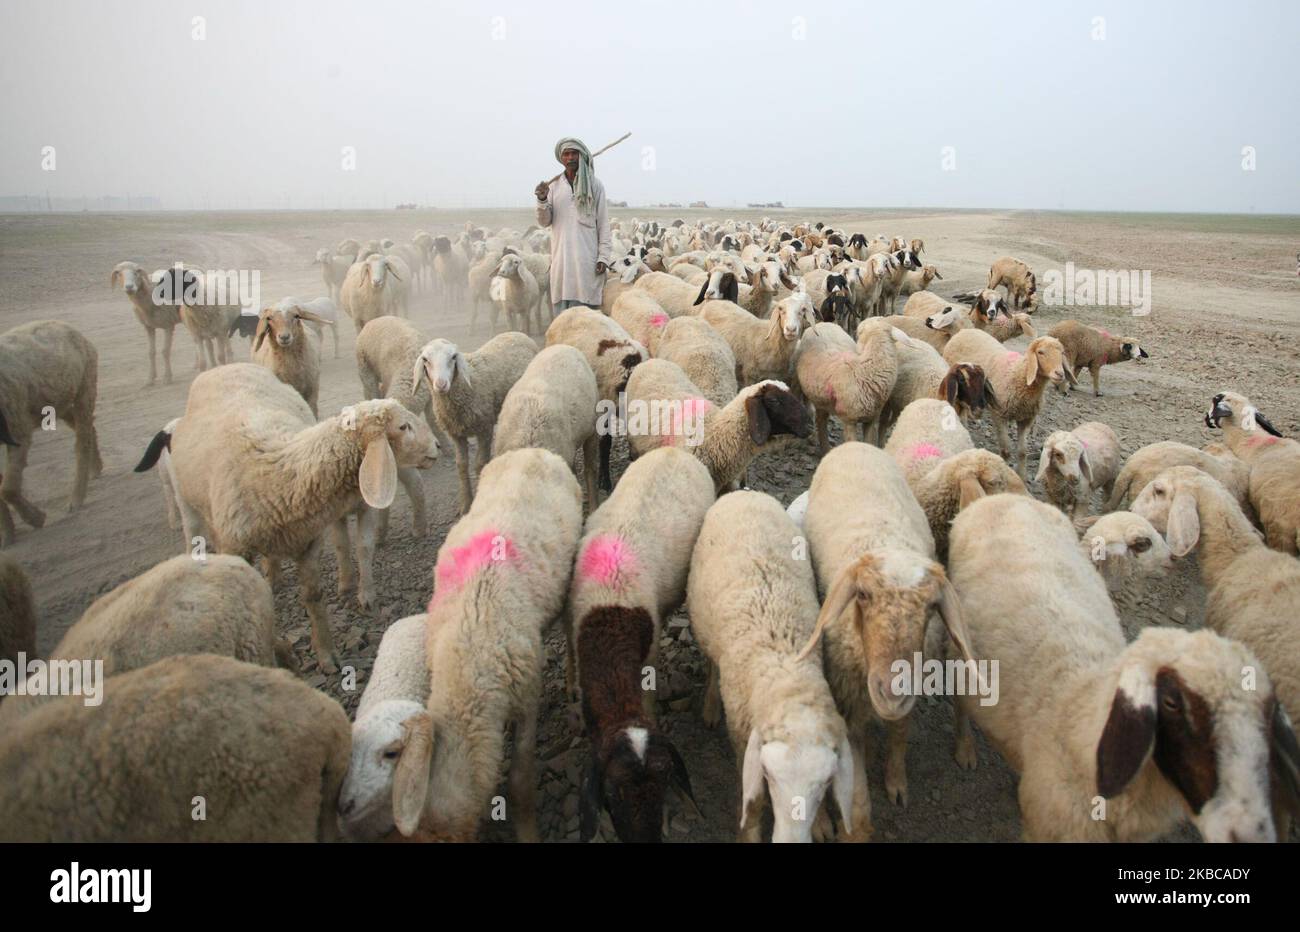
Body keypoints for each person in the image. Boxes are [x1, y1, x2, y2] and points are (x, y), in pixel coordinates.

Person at [535, 137, 611, 314]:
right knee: (563, 323)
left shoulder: (595, 185)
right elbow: (544, 221)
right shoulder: (553, 187)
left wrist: (603, 258)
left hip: (587, 263)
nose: (570, 158)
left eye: (574, 153)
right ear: (561, 158)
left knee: (587, 321)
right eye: (566, 154)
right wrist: (542, 199)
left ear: (582, 156)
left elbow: (603, 223)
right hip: (562, 262)